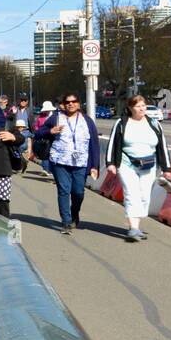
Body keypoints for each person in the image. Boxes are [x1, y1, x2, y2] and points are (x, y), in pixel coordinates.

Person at [105, 94, 171, 242]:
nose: (141, 108)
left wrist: (167, 169)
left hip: (149, 165)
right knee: (131, 194)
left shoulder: (154, 124)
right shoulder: (122, 123)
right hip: (127, 164)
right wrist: (110, 163)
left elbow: (162, 146)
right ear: (130, 108)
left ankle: (137, 226)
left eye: (143, 105)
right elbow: (113, 143)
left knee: (144, 196)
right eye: (137, 106)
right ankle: (133, 228)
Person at [35, 92, 100, 234]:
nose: (71, 104)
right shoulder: (56, 118)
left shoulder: (87, 120)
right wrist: (50, 131)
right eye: (68, 102)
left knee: (78, 192)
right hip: (59, 161)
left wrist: (95, 165)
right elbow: (39, 133)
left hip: (80, 162)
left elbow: (94, 144)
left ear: (78, 103)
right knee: (64, 190)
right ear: (64, 104)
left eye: (74, 101)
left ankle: (74, 213)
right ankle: (66, 222)